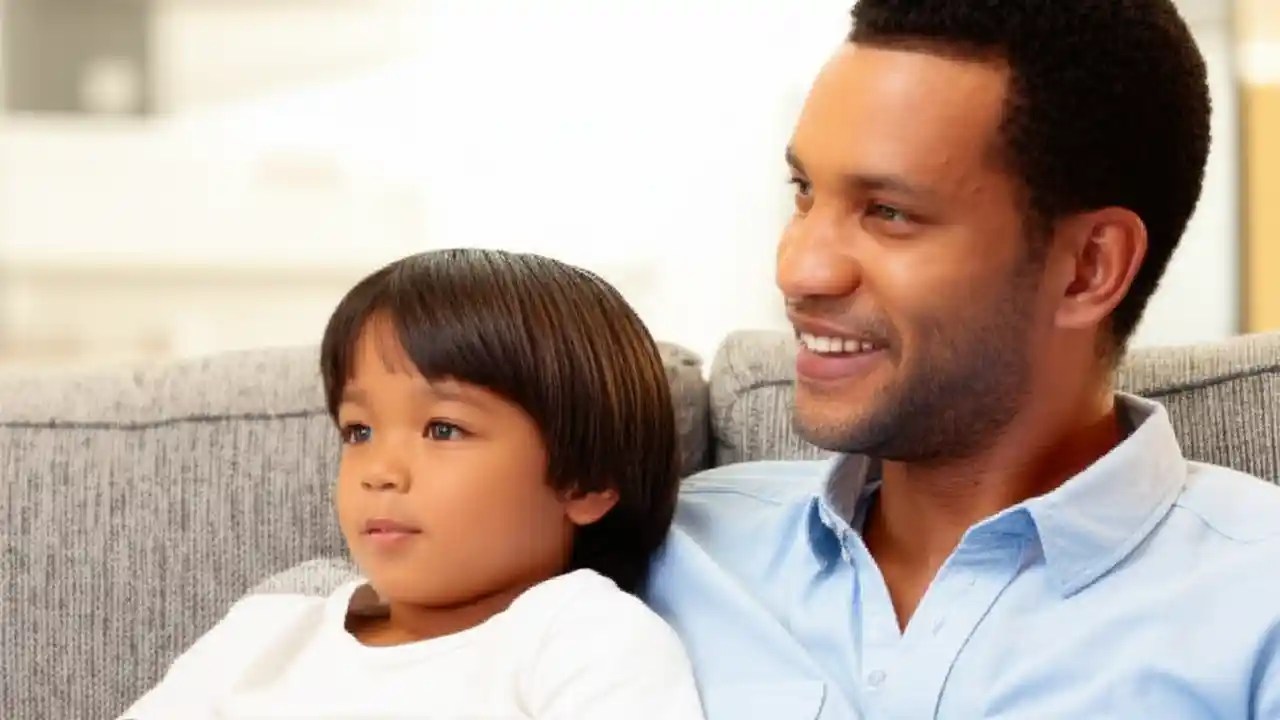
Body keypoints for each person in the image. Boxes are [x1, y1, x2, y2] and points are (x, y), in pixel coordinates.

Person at [647, 1, 1280, 718]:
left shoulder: (1259, 601)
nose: (800, 270)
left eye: (888, 212)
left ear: (1087, 268)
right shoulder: (660, 550)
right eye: (805, 192)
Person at [121, 249, 704, 719]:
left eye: (443, 429)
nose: (380, 470)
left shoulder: (583, 638)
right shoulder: (266, 632)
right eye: (358, 431)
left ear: (586, 481)